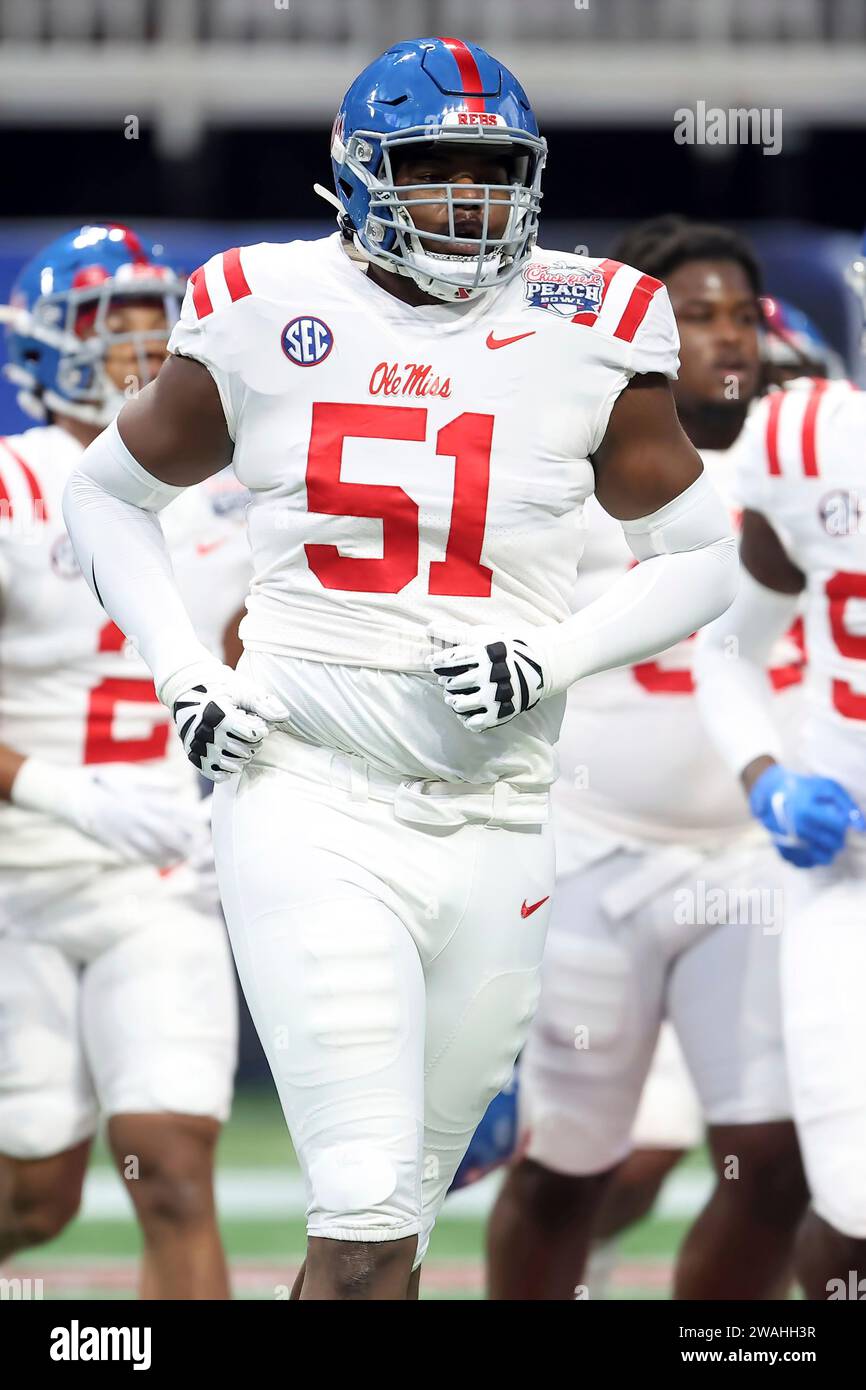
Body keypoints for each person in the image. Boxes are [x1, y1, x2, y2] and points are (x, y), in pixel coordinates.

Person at [60, 41, 736, 1301]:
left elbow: (702, 559)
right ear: (359, 173)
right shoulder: (261, 302)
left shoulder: (592, 315)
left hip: (501, 816)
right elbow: (105, 500)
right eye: (433, 169)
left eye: (493, 170)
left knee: (399, 1232)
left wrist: (557, 649)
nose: (467, 200)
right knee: (364, 1208)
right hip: (311, 790)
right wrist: (179, 669)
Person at [487, 218, 810, 1301]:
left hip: (754, 861)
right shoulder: (574, 454)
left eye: (739, 316)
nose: (726, 338)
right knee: (572, 1167)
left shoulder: (795, 460)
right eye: (694, 316)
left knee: (773, 1165)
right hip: (592, 853)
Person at [0, 224, 246, 1299]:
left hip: (162, 870)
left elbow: (267, 666)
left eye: (158, 325)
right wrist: (61, 793)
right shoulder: (12, 486)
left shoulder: (229, 490)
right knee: (35, 1196)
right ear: (50, 343)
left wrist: (236, 802)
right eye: (115, 327)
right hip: (17, 874)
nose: (142, 350)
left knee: (174, 1172)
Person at [694, 246, 866, 1297]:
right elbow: (727, 649)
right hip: (845, 875)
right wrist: (765, 777)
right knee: (849, 1213)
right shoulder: (805, 439)